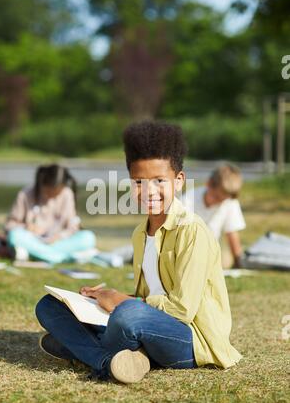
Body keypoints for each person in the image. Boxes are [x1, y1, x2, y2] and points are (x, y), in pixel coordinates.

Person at [35, 122, 242, 384]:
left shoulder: (193, 231)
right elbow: (149, 298)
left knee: (126, 316)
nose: (149, 191)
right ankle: (112, 361)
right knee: (49, 306)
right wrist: (101, 297)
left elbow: (181, 310)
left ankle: (83, 350)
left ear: (178, 181)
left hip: (189, 339)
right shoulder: (140, 234)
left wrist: (122, 301)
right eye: (139, 182)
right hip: (148, 324)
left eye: (159, 181)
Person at [5, 164, 96, 264]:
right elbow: (9, 226)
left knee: (88, 237)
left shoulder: (67, 194)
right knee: (15, 236)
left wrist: (59, 236)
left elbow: (72, 227)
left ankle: (39, 255)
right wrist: (27, 227)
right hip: (34, 240)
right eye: (48, 192)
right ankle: (62, 258)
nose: (51, 197)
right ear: (41, 184)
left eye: (56, 194)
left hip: (58, 243)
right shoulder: (25, 194)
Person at [186, 165, 246, 268]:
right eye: (216, 197)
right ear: (208, 184)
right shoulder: (188, 200)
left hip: (211, 254)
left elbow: (232, 233)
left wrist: (238, 262)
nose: (219, 202)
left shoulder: (229, 202)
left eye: (223, 200)